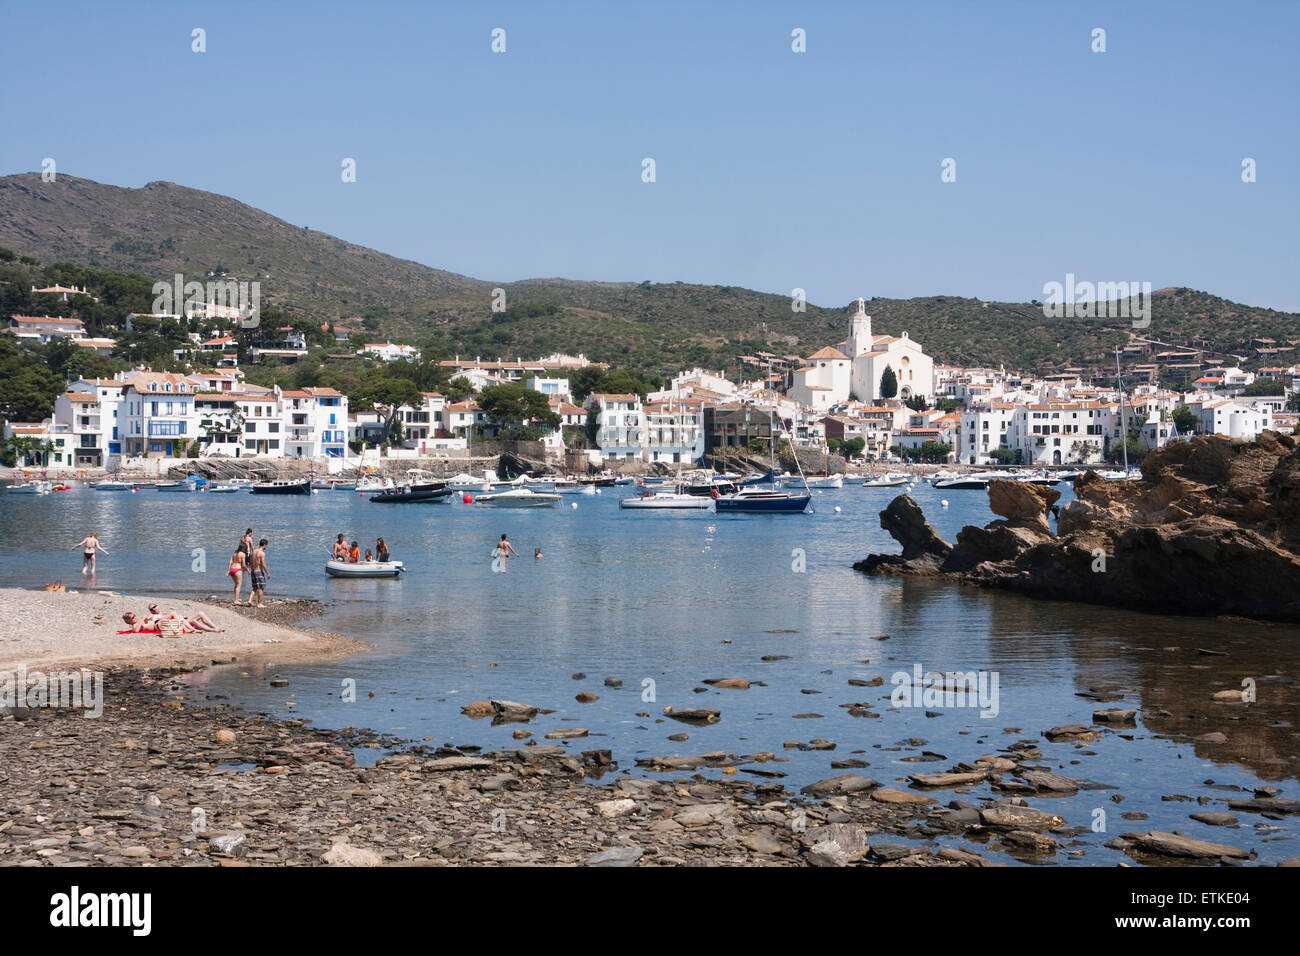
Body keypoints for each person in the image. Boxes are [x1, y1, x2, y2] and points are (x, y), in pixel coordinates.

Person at [147, 603, 225, 633]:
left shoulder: (164, 613)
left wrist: (183, 618)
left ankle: (215, 627)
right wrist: (147, 618)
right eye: (151, 609)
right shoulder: (153, 616)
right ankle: (213, 630)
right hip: (173, 624)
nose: (154, 609)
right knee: (194, 621)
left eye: (154, 607)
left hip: (180, 621)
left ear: (158, 606)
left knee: (200, 613)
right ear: (151, 611)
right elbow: (146, 621)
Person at [248, 538, 270, 608]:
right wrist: (268, 573)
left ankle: (250, 600)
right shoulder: (262, 553)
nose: (266, 547)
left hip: (253, 570)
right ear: (264, 545)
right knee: (261, 587)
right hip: (258, 571)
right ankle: (259, 603)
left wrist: (251, 569)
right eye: (266, 545)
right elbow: (263, 564)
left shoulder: (254, 551)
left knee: (255, 587)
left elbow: (251, 561)